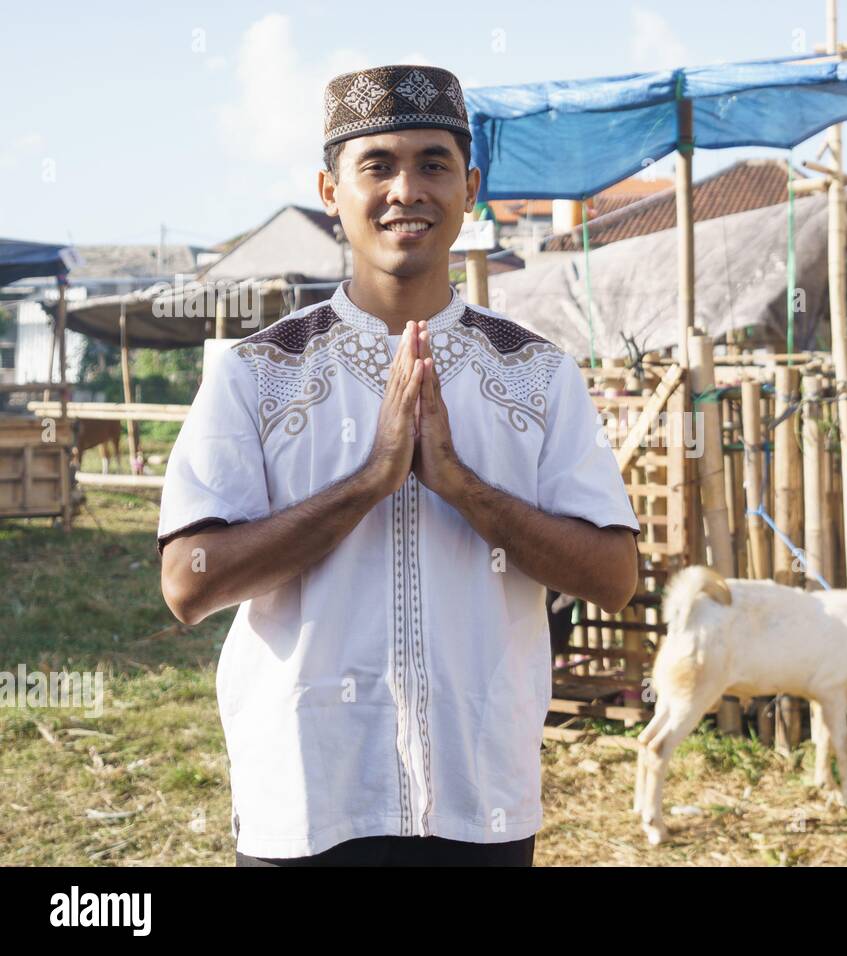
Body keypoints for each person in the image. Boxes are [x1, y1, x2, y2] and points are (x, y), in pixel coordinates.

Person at [157, 64, 641, 867]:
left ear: (471, 187)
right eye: (376, 164)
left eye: (433, 164)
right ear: (330, 189)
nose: (405, 189)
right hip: (307, 797)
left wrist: (460, 486)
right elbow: (188, 583)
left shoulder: (536, 374)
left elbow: (613, 576)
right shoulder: (256, 372)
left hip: (479, 796)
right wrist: (369, 482)